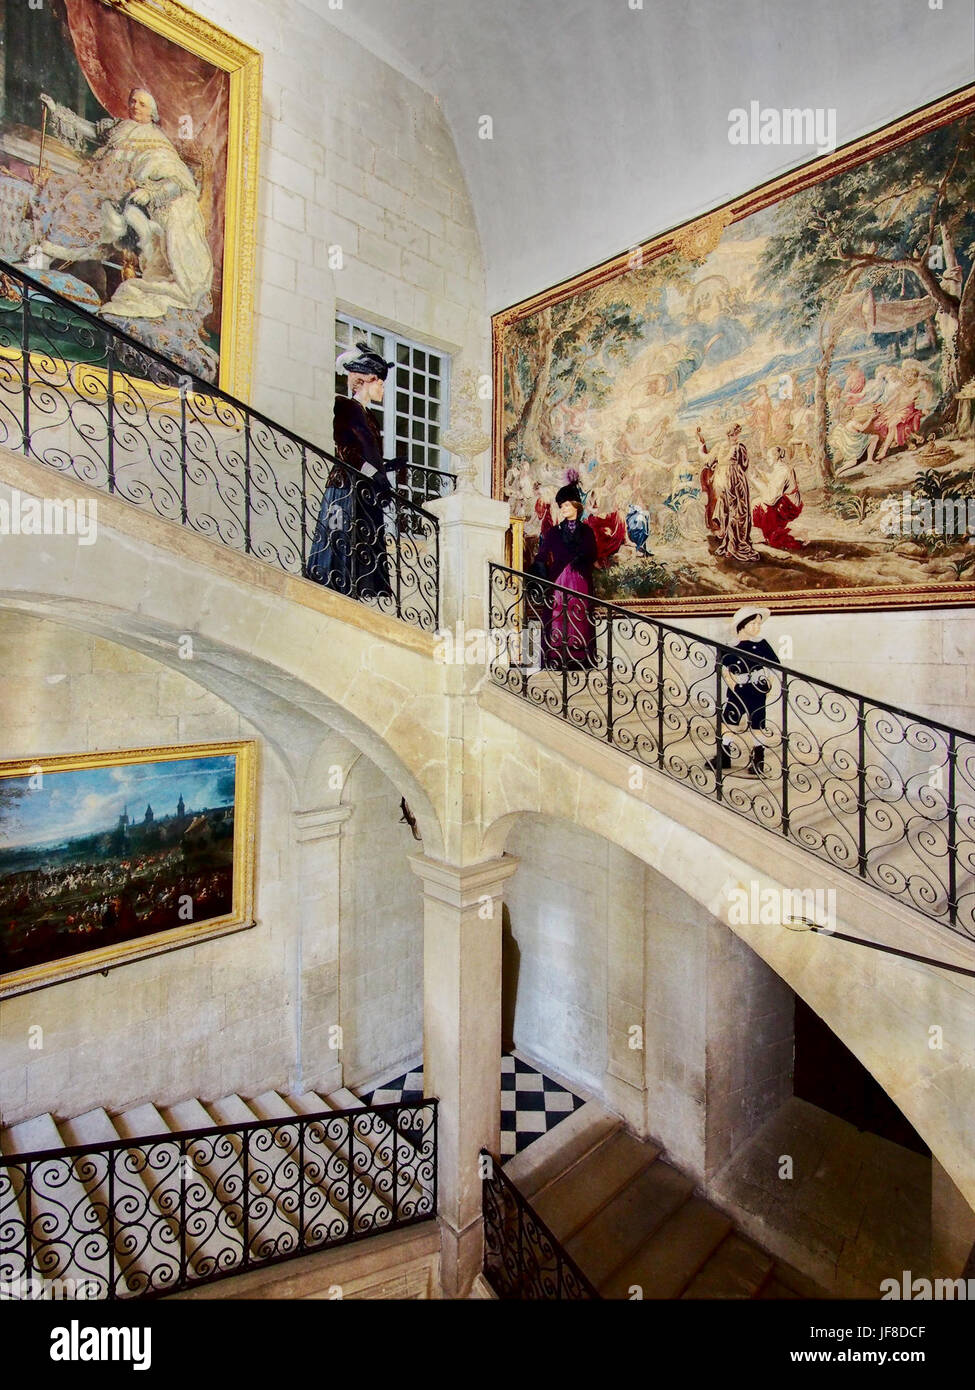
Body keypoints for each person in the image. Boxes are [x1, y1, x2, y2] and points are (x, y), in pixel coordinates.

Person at [34, 87, 212, 324]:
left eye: (142, 104)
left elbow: (175, 177)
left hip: (121, 189)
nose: (136, 107)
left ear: (153, 113)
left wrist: (149, 191)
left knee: (82, 201)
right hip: (98, 179)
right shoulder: (119, 127)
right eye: (133, 102)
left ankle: (49, 254)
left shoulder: (157, 141)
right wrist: (58, 112)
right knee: (58, 190)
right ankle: (39, 257)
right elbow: (90, 131)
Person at [307, 342, 399, 600]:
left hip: (364, 488)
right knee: (340, 535)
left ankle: (355, 590)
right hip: (345, 487)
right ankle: (336, 588)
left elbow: (368, 454)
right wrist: (376, 474)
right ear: (368, 380)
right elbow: (348, 453)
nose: (382, 389)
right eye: (380, 383)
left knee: (361, 540)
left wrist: (387, 466)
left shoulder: (369, 415)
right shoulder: (345, 407)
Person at [527, 482, 598, 670]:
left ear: (576, 506)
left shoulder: (587, 531)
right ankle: (557, 656)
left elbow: (592, 553)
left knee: (579, 616)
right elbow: (541, 555)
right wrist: (538, 574)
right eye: (562, 506)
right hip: (558, 581)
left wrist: (580, 560)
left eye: (567, 505)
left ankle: (579, 658)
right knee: (558, 615)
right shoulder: (554, 532)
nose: (564, 509)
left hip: (580, 581)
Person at [707, 606, 777, 777]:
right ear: (742, 625)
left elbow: (773, 667)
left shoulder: (761, 644)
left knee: (758, 723)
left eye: (758, 624)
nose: (756, 627)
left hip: (756, 689)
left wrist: (768, 685)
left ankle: (758, 759)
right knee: (729, 721)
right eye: (752, 623)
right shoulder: (730, 646)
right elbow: (725, 670)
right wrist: (734, 686)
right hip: (738, 690)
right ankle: (724, 755)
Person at [698, 422, 760, 562]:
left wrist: (701, 449)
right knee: (732, 511)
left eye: (737, 434)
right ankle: (732, 545)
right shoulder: (737, 447)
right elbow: (744, 465)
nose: (736, 436)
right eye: (734, 434)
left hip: (727, 481)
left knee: (736, 511)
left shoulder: (723, 446)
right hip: (732, 481)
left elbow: (708, 460)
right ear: (731, 434)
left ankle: (732, 545)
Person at [752, 446, 805, 551]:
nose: (767, 460)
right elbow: (773, 480)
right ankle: (768, 535)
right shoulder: (780, 467)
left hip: (789, 506)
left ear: (776, 456)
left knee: (759, 506)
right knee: (757, 503)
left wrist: (755, 480)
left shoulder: (783, 471)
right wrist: (761, 473)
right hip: (786, 501)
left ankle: (798, 534)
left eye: (768, 457)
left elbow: (771, 498)